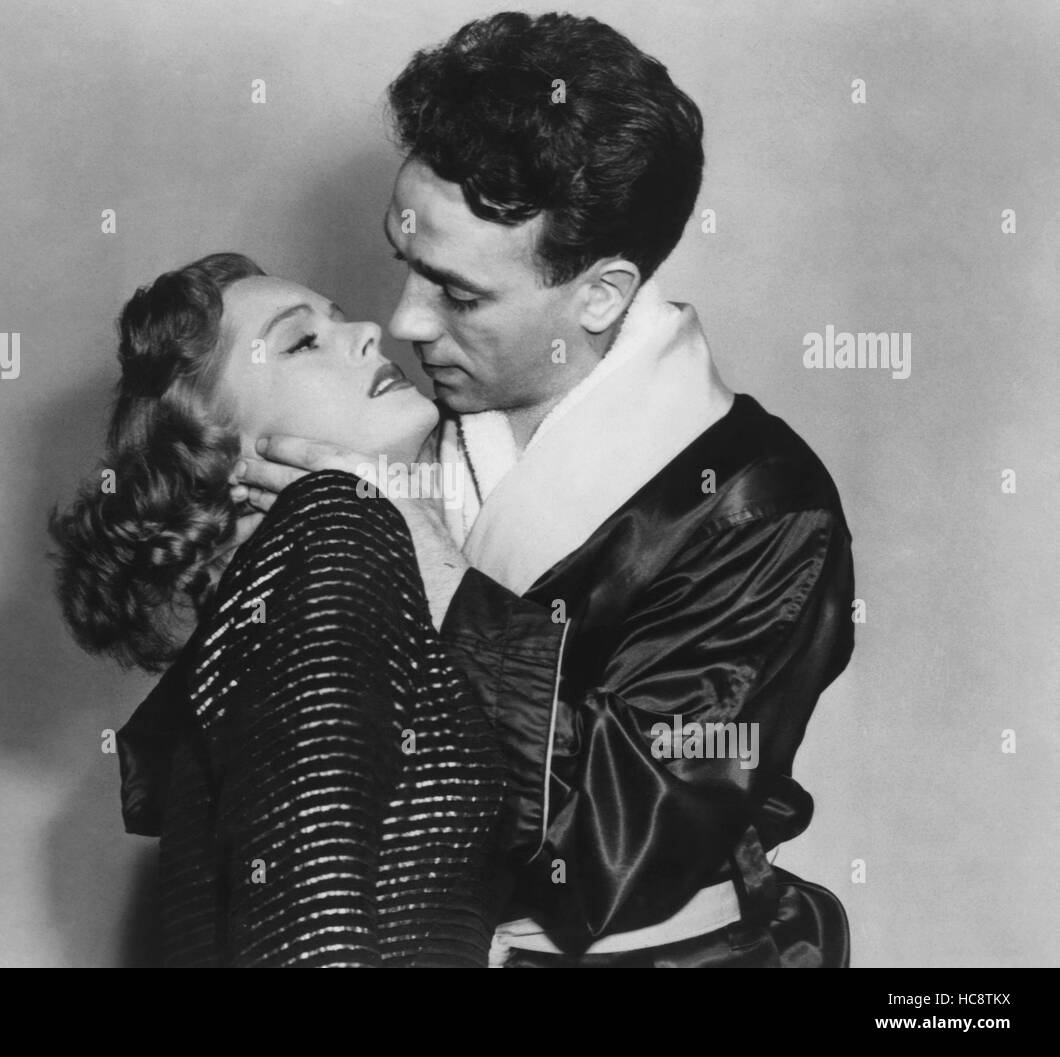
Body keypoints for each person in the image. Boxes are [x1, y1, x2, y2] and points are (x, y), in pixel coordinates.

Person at [235, 12, 857, 967]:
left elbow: (629, 825)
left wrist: (420, 564)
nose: (404, 321)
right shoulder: (391, 429)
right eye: (406, 267)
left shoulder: (764, 507)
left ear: (601, 294)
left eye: (460, 293)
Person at [46, 252, 504, 966]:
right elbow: (312, 938)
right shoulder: (338, 528)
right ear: (224, 463)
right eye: (302, 341)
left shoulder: (265, 618)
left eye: (335, 318)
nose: (367, 333)